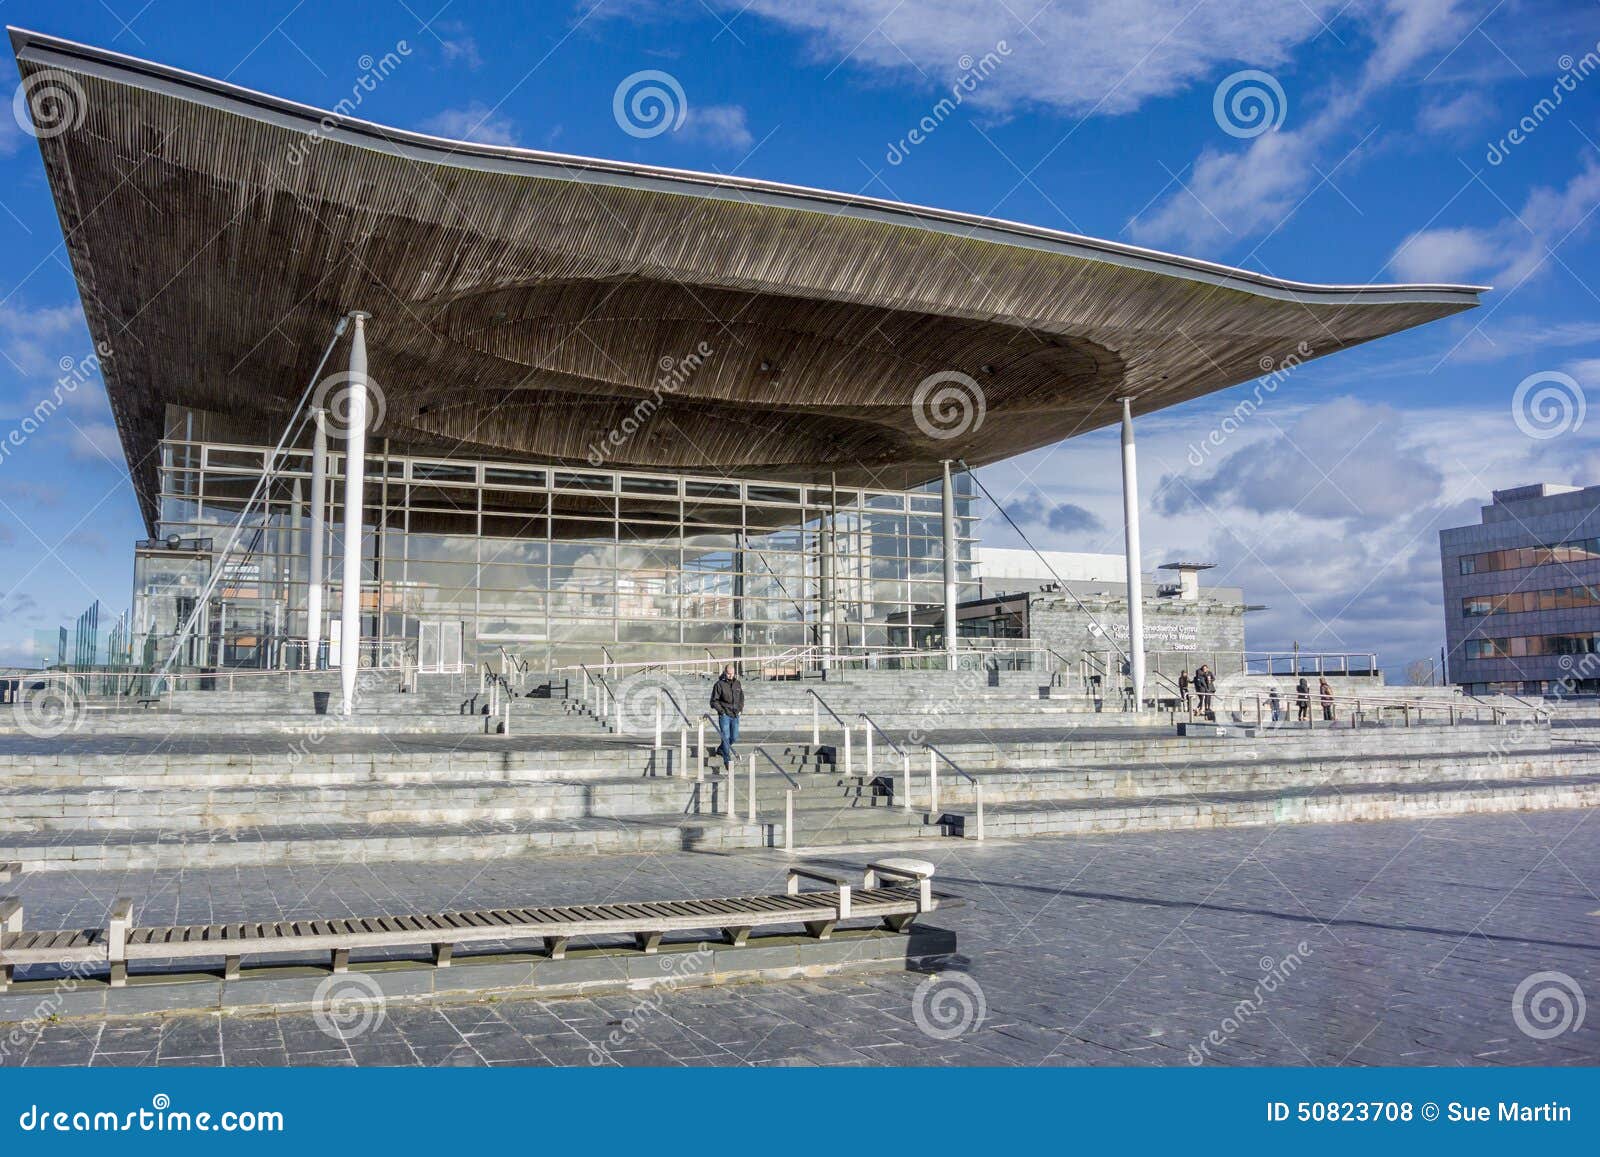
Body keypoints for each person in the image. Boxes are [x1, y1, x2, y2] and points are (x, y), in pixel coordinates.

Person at [709, 664, 744, 768]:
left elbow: (741, 698)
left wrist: (740, 709)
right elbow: (713, 701)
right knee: (726, 736)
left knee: (734, 737)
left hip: (735, 714)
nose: (730, 675)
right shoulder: (719, 684)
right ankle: (727, 760)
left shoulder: (737, 683)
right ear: (725, 672)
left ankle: (720, 749)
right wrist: (721, 711)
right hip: (724, 714)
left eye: (732, 673)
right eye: (728, 674)